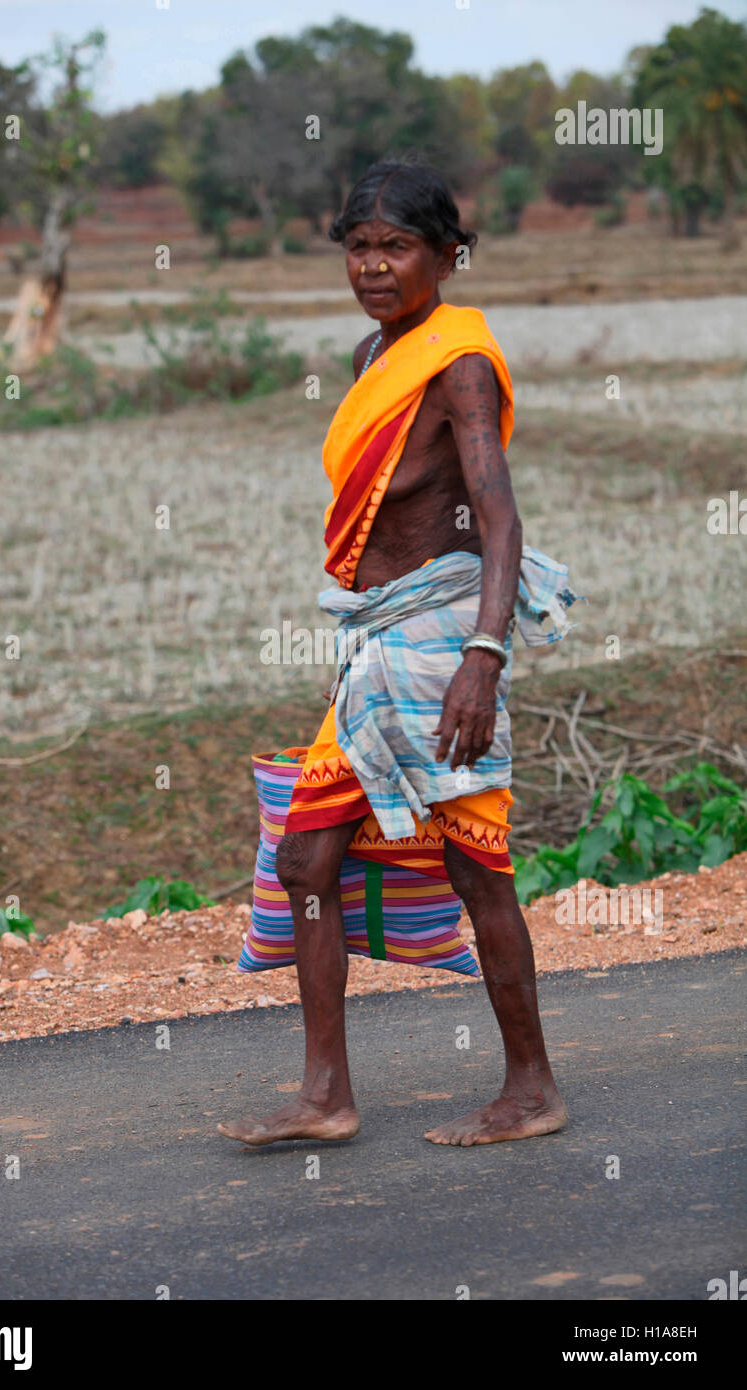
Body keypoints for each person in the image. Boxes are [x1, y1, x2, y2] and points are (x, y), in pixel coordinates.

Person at [219, 158, 581, 1149]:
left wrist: (481, 657)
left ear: (447, 256)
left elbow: (498, 521)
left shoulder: (457, 362)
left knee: (478, 869)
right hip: (378, 637)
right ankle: (326, 1095)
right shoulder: (369, 358)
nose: (374, 266)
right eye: (358, 247)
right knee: (306, 856)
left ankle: (531, 1087)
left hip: (441, 639)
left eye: (396, 247)